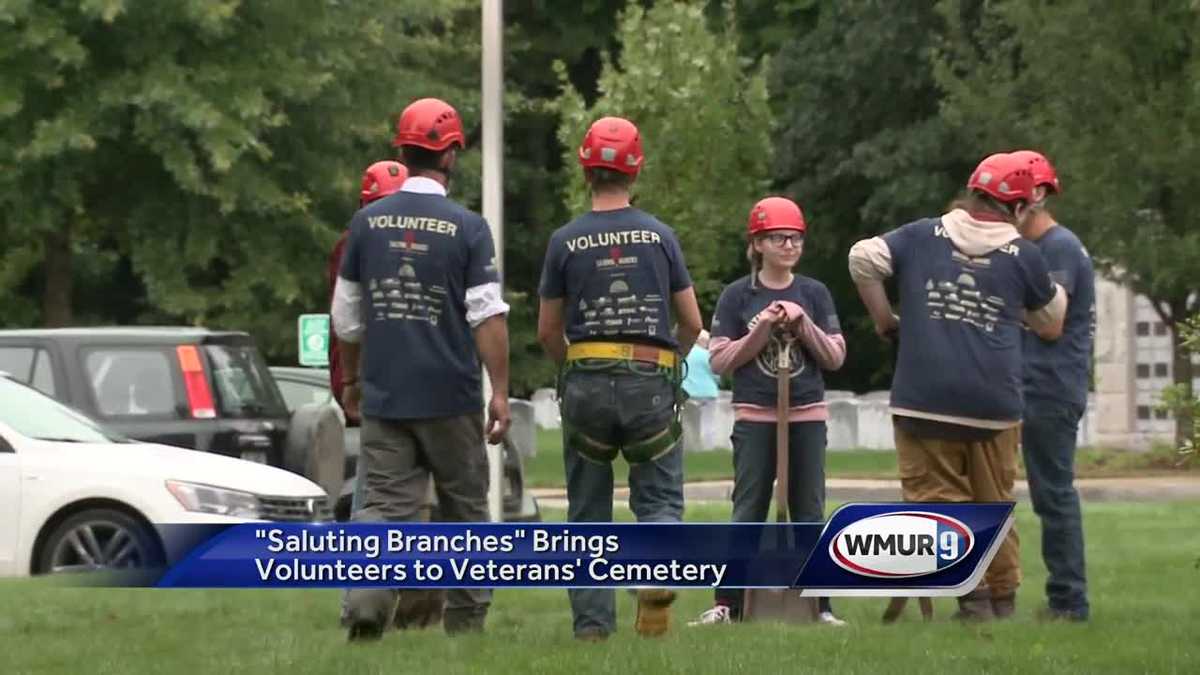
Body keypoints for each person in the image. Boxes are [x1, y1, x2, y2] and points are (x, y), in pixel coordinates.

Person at [847, 151, 1068, 621]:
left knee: (938, 500)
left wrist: (886, 321)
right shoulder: (1023, 256)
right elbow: (1051, 323)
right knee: (994, 500)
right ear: (1021, 207)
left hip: (923, 396)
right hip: (993, 402)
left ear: (972, 192)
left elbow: (862, 258)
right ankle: (1003, 599)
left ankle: (973, 601)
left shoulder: (922, 234)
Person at [332, 97, 512, 641]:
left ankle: (366, 605)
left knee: (384, 508)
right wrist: (499, 390)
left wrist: (357, 381)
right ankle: (465, 627)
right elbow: (487, 317)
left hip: (387, 397)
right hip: (451, 399)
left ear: (403, 151)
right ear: (452, 154)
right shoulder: (468, 228)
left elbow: (347, 318)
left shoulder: (366, 224)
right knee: (464, 512)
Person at [537, 116, 703, 641]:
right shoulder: (660, 236)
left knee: (587, 512)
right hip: (649, 378)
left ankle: (592, 629)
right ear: (637, 167)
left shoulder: (564, 241)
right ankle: (653, 591)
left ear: (585, 168)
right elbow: (693, 322)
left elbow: (547, 330)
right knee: (658, 500)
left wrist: (572, 369)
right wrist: (665, 365)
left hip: (585, 376)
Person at [689, 197, 847, 627]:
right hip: (756, 415)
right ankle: (728, 604)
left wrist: (802, 323)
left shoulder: (813, 292)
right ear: (757, 243)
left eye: (795, 238)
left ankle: (821, 605)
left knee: (809, 510)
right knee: (747, 510)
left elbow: (834, 356)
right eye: (779, 238)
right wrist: (759, 328)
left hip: (806, 414)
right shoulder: (738, 296)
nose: (789, 246)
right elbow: (720, 361)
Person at [1011, 149, 1094, 622]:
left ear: (1037, 195)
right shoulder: (1042, 250)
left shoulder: (1059, 248)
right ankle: (1062, 598)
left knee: (1054, 495)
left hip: (1049, 387)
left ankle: (1069, 602)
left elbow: (1050, 324)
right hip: (1038, 385)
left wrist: (995, 300)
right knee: (1050, 494)